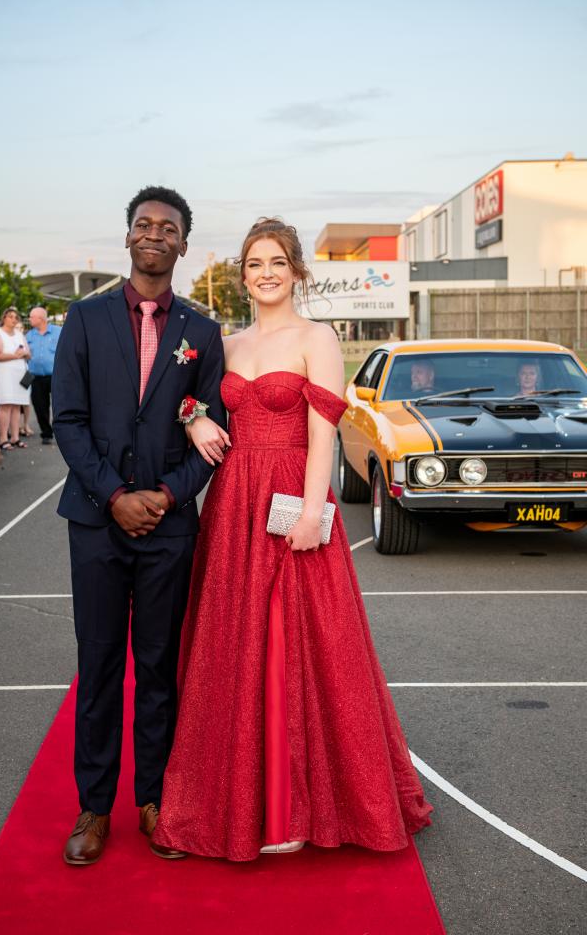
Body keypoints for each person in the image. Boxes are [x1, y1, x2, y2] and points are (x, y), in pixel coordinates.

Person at [151, 218, 432, 862]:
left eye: (277, 261)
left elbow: (324, 434)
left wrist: (312, 510)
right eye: (254, 264)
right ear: (242, 274)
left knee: (299, 639)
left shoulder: (319, 338)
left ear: (296, 270)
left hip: (292, 496)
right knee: (235, 641)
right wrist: (194, 421)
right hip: (232, 506)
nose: (266, 273)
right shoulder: (226, 341)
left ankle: (300, 805)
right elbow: (189, 401)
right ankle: (241, 803)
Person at [52, 185, 225, 867]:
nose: (155, 234)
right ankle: (94, 807)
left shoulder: (202, 332)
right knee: (98, 667)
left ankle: (154, 799)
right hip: (96, 523)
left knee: (158, 668)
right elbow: (66, 421)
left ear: (183, 244)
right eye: (144, 224)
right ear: (129, 237)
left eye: (169, 227)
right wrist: (116, 495)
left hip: (169, 527)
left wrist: (169, 496)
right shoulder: (85, 319)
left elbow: (214, 430)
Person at [0, 307, 32, 450]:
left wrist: (24, 354)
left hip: (20, 376)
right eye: (11, 316)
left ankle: (15, 437)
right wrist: (16, 355)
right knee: (6, 405)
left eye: (16, 317)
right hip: (4, 376)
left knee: (17, 405)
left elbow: (29, 354)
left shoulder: (20, 334)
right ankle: (3, 439)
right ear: (4, 318)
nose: (14, 319)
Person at [25, 306, 61, 444]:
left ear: (40, 318)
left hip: (56, 376)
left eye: (32, 317)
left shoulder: (59, 332)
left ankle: (63, 430)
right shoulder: (28, 335)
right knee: (40, 406)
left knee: (60, 405)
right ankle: (46, 433)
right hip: (36, 377)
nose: (29, 319)